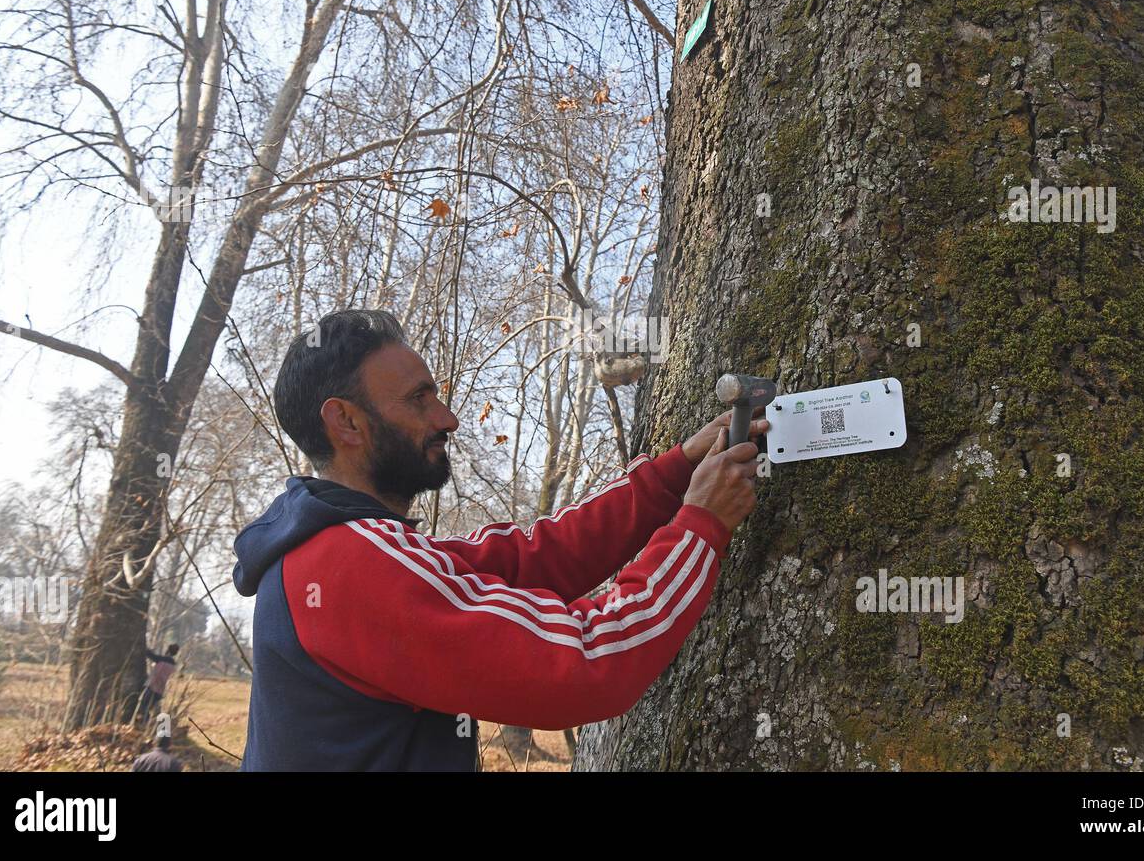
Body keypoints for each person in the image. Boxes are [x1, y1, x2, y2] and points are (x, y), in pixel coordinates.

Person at [233, 309, 764, 771]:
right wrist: (701, 524)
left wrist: (673, 475)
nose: (448, 418)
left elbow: (534, 558)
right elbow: (584, 664)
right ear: (346, 421)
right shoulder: (346, 566)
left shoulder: (343, 551)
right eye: (419, 400)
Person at [138, 642, 178, 723]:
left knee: (143, 705)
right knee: (150, 708)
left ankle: (146, 723)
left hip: (152, 687)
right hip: (160, 690)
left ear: (168, 651)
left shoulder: (162, 660)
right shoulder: (173, 664)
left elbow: (150, 655)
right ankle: (150, 724)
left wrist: (145, 647)